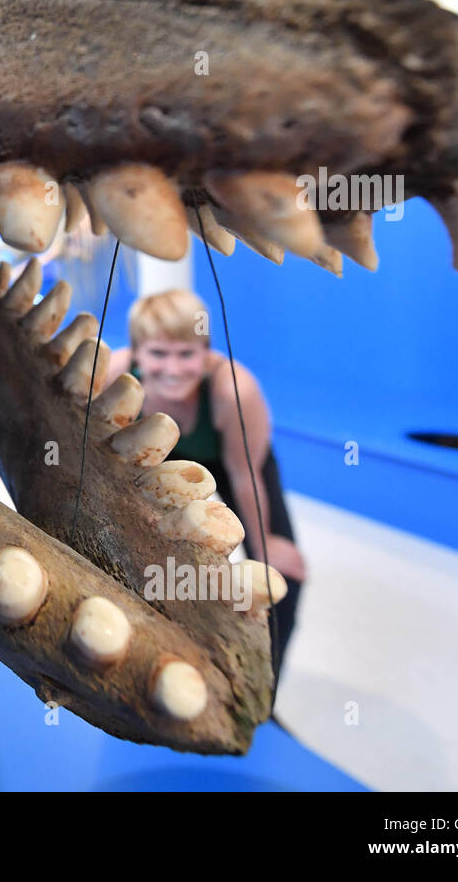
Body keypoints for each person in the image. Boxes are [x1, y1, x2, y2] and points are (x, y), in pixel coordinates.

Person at [106, 288, 306, 677]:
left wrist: (265, 542)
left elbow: (244, 476)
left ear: (206, 353)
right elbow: (102, 457)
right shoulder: (117, 377)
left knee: (281, 576)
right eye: (159, 354)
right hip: (158, 456)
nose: (174, 368)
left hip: (233, 462)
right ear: (137, 355)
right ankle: (170, 663)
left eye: (187, 354)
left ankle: (264, 686)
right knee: (155, 563)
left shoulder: (234, 392)